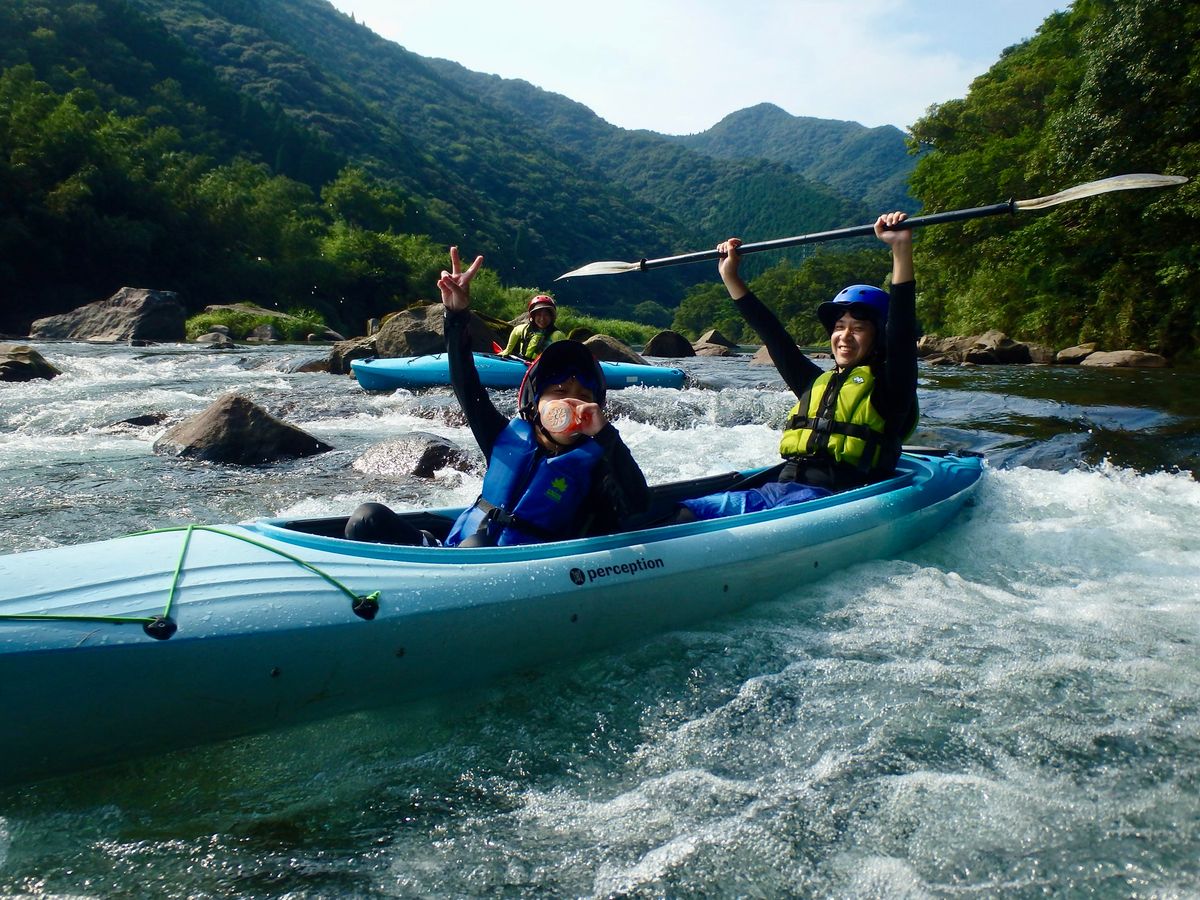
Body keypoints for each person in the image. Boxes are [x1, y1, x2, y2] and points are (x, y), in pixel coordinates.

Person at [346, 248, 649, 546]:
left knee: (475, 547)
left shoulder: (596, 464)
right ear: (535, 402)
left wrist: (605, 434)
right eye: (559, 391)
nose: (572, 402)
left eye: (583, 396)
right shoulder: (503, 436)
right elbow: (465, 383)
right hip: (455, 549)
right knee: (366, 518)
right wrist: (456, 316)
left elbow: (638, 505)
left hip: (519, 563)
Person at [677, 211, 918, 521]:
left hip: (829, 499)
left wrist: (900, 248)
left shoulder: (891, 388)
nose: (844, 336)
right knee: (684, 512)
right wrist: (730, 276)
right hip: (777, 491)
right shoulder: (813, 382)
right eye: (839, 327)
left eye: (858, 328)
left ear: (879, 338)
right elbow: (773, 335)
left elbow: (901, 330)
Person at [499, 294, 566, 360]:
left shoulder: (557, 335)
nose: (542, 319)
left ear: (551, 317)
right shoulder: (525, 329)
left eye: (546, 315)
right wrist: (508, 350)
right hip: (523, 362)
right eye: (539, 315)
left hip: (543, 365)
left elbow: (565, 356)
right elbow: (515, 331)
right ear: (533, 316)